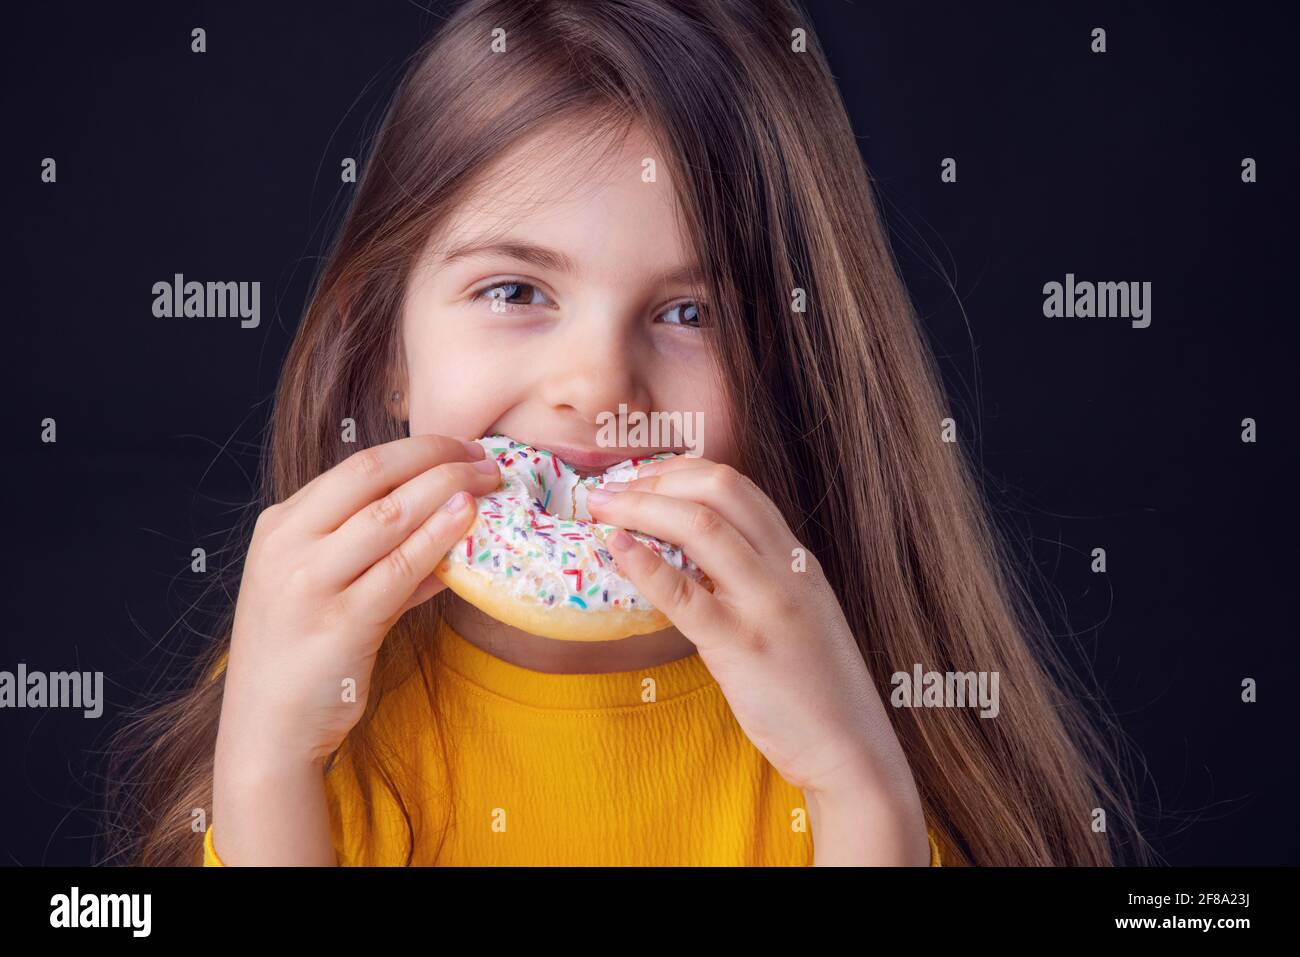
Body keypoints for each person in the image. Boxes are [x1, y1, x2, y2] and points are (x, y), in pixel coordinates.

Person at [103, 0, 1150, 867]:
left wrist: (856, 790)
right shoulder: (303, 695)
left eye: (692, 314)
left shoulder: (861, 718)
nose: (599, 386)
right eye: (514, 289)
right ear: (384, 349)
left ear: (798, 368)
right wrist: (263, 773)